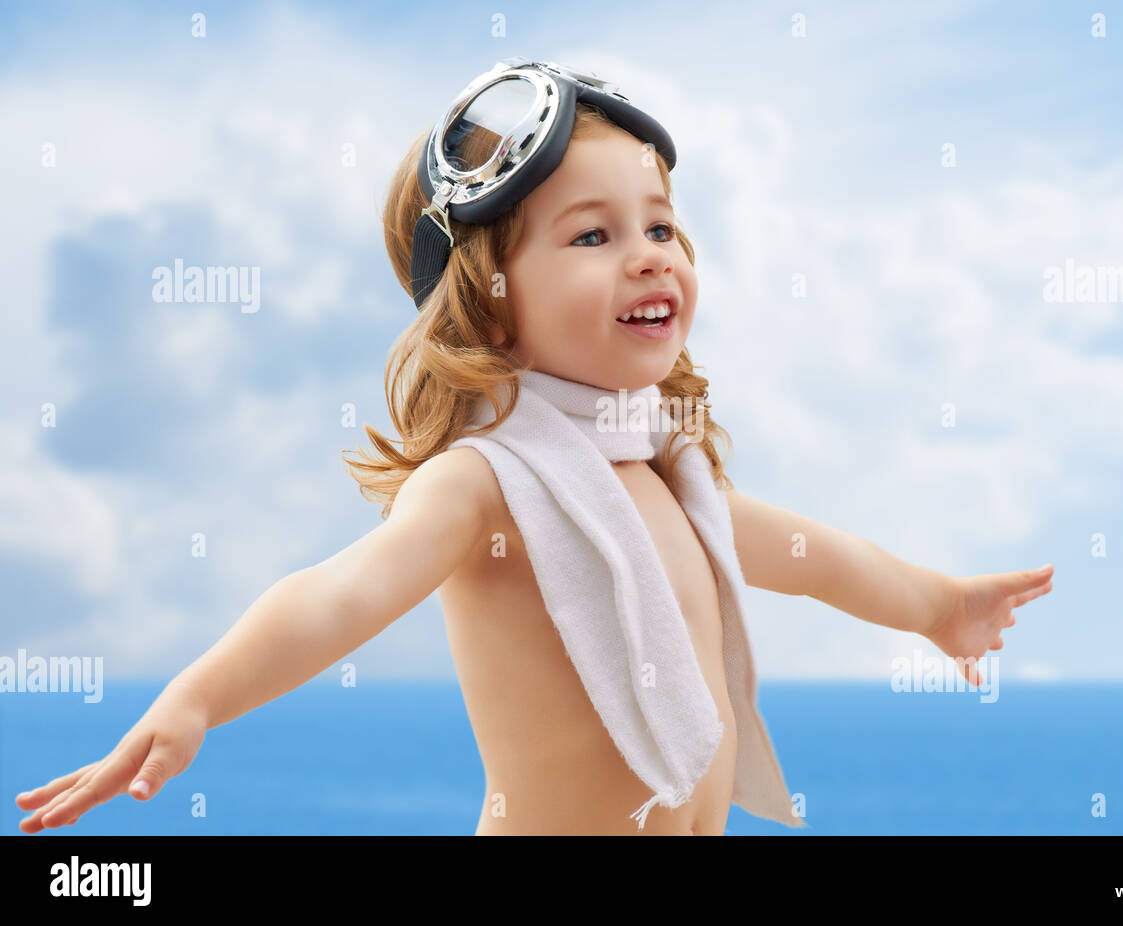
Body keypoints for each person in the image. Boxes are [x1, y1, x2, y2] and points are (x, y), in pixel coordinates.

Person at [15, 60, 1054, 837]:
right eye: (592, 236)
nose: (648, 254)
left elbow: (809, 557)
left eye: (658, 225)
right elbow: (338, 594)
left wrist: (934, 605)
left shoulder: (656, 469)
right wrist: (198, 694)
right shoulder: (488, 484)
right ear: (489, 303)